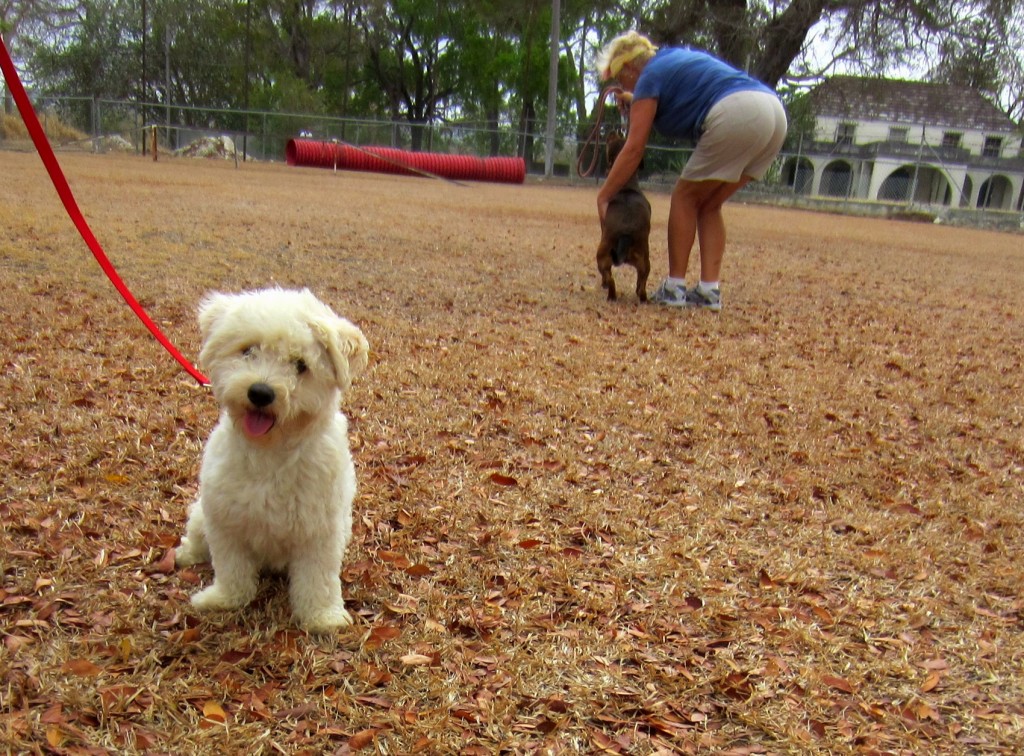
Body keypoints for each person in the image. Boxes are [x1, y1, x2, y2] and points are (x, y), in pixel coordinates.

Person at [595, 31, 788, 311]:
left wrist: (604, 196)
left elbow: (634, 148)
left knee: (684, 197)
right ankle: (709, 291)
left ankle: (674, 288)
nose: (617, 83)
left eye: (617, 77)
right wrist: (635, 99)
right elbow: (667, 99)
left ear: (628, 67)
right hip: (771, 111)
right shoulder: (670, 61)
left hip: (737, 112)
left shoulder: (649, 76)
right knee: (709, 204)